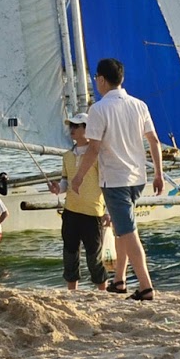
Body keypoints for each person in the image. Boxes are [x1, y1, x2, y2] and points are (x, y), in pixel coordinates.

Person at [73, 58, 164, 301]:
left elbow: (93, 149)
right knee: (122, 228)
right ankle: (119, 280)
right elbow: (153, 141)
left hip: (115, 179)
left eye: (96, 79)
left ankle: (145, 286)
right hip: (137, 178)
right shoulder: (139, 105)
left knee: (128, 231)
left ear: (102, 79)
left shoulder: (99, 109)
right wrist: (158, 174)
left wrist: (78, 177)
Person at [54, 113, 106, 291]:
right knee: (69, 253)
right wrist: (57, 189)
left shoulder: (98, 155)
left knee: (94, 255)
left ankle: (102, 291)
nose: (72, 130)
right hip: (71, 211)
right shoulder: (67, 156)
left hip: (93, 212)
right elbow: (64, 181)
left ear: (88, 129)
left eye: (76, 126)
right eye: (71, 126)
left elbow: (106, 184)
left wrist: (108, 212)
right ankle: (72, 291)